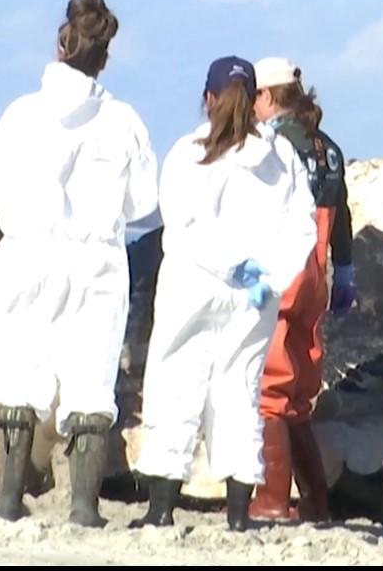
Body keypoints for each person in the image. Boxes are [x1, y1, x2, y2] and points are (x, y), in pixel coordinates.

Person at [0, 0, 160, 526]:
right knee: (91, 375)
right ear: (103, 57)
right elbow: (144, 202)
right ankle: (84, 506)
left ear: (60, 47)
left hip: (28, 253)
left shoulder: (21, 114)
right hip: (96, 260)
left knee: (16, 370)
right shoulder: (124, 120)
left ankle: (9, 500)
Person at [129, 55, 318, 532]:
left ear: (208, 97)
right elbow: (302, 227)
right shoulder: (281, 157)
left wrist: (228, 265)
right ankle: (238, 515)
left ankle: (160, 510)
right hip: (252, 298)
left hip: (193, 284)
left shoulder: (188, 151)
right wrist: (267, 278)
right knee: (240, 391)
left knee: (177, 385)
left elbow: (182, 223)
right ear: (255, 97)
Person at [246, 56, 356, 522]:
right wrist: (345, 271)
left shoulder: (271, 144)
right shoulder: (327, 148)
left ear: (268, 97)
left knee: (269, 387)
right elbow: (342, 214)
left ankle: (271, 499)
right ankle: (316, 501)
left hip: (281, 272)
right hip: (316, 274)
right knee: (297, 396)